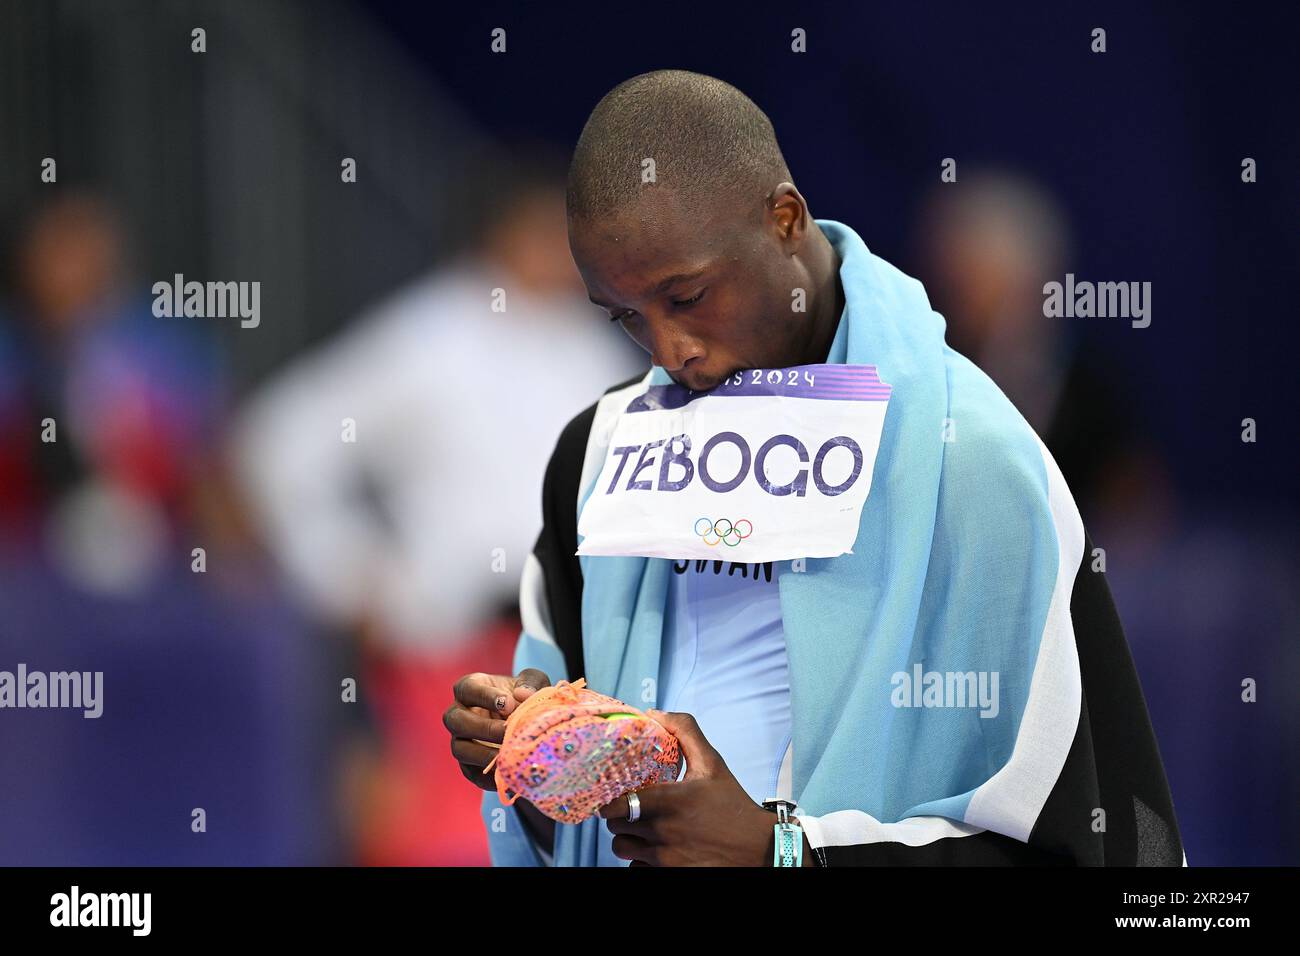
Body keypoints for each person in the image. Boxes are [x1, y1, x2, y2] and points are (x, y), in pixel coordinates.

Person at [444, 70, 1186, 867]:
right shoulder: (596, 454)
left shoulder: (973, 458)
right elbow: (573, 831)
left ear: (785, 219)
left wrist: (789, 854)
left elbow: (1088, 848)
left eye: (687, 296)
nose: (670, 352)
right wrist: (528, 753)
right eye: (625, 316)